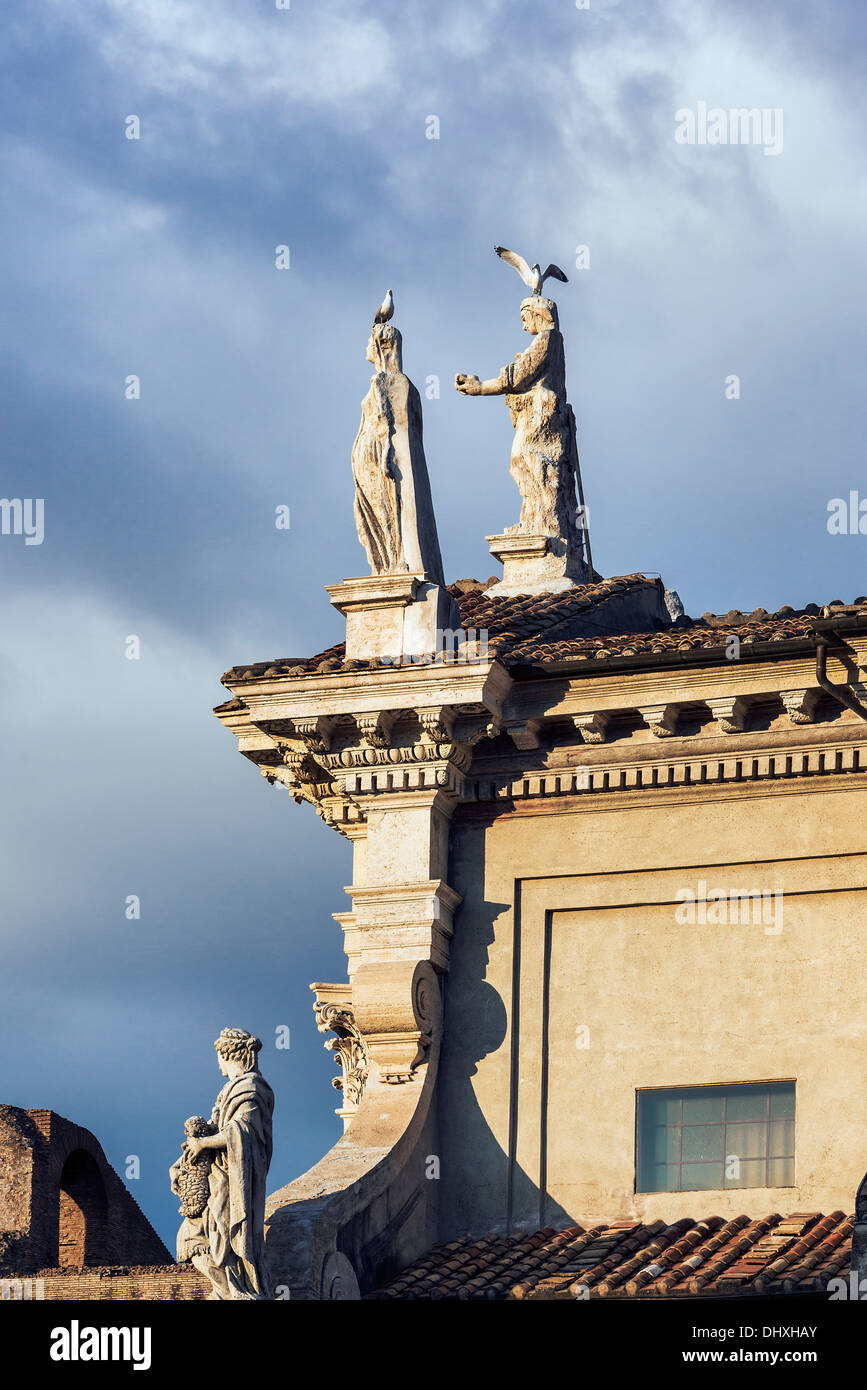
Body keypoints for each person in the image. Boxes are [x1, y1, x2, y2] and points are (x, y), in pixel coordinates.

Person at [170, 1027, 274, 1300]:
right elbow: (224, 1129)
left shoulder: (250, 1088)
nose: (217, 1065)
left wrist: (204, 1144)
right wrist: (198, 1141)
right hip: (216, 1176)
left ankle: (236, 1292)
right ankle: (226, 1291)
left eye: (218, 1057)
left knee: (220, 1241)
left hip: (233, 1180)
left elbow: (242, 1131)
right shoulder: (231, 1089)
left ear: (228, 1055)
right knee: (192, 1239)